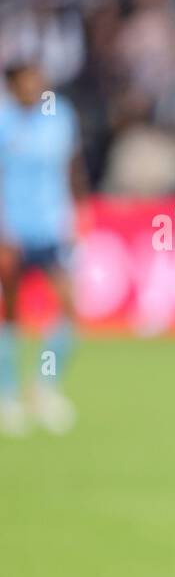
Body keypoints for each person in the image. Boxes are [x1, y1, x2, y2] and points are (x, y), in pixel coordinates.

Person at [0, 62, 84, 436]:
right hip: (12, 232)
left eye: (38, 79)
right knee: (11, 315)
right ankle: (7, 394)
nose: (34, 87)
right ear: (11, 86)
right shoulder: (3, 121)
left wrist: (75, 215)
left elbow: (70, 170)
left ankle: (44, 385)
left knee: (68, 309)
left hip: (51, 227)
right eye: (25, 82)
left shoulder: (59, 117)